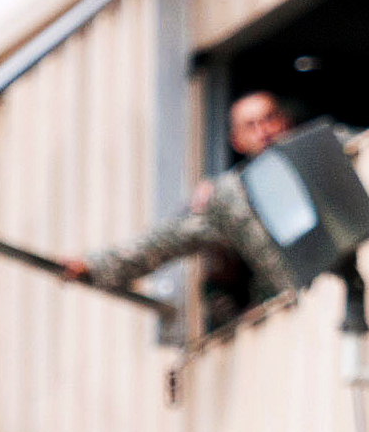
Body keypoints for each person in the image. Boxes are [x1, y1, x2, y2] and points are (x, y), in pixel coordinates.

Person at [63, 90, 301, 328]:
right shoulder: (232, 198)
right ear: (236, 140)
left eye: (269, 119)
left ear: (285, 121)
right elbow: (162, 242)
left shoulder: (325, 153)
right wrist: (93, 265)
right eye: (251, 125)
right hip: (297, 313)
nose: (264, 131)